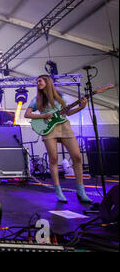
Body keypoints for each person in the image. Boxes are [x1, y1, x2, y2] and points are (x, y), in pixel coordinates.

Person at [24, 75, 92, 204]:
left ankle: (80, 190)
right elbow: (27, 114)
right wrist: (45, 115)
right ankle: (58, 190)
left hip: (64, 127)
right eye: (37, 81)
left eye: (40, 81)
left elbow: (68, 112)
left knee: (77, 156)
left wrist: (82, 107)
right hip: (49, 129)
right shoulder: (37, 99)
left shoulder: (61, 97)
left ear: (47, 82)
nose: (38, 83)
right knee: (54, 158)